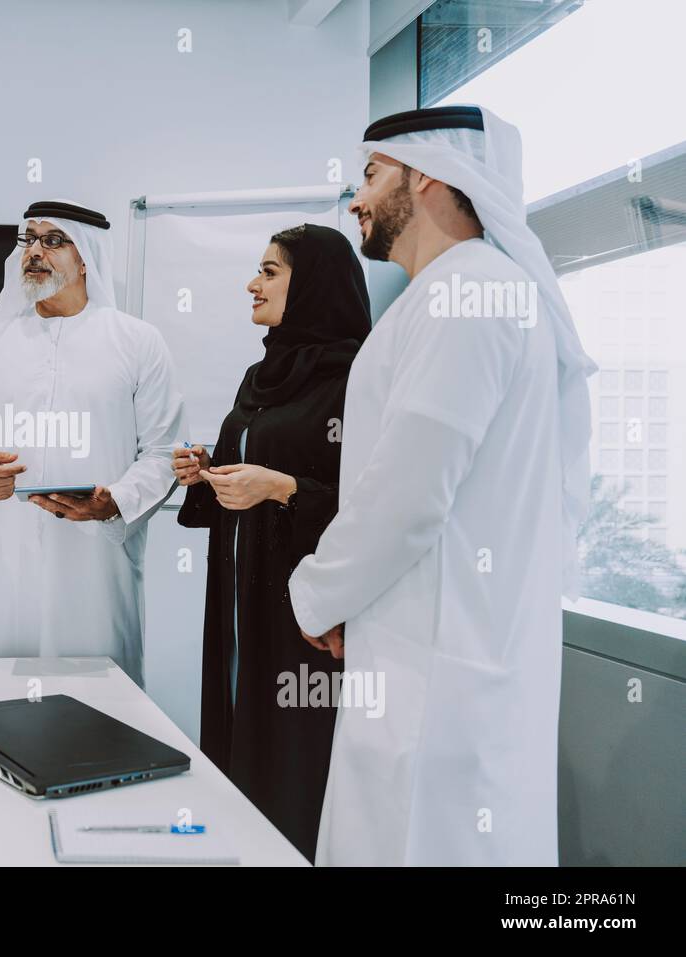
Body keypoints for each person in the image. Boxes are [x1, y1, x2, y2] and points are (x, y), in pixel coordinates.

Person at [287, 106, 597, 865]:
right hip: (418, 660)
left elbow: (407, 494)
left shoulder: (474, 293)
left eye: (370, 174)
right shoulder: (444, 295)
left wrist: (317, 592)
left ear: (425, 174)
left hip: (438, 686)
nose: (355, 199)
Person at [174, 224, 370, 860]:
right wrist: (207, 469)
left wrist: (283, 487)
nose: (251, 284)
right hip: (239, 595)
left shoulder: (358, 380)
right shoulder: (260, 375)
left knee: (295, 747)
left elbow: (375, 502)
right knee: (239, 721)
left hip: (307, 607)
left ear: (312, 285)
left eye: (269, 271)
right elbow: (251, 467)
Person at [0, 200, 183, 686]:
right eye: (29, 240)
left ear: (87, 255)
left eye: (53, 240)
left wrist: (115, 501)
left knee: (98, 717)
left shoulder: (137, 342)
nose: (35, 252)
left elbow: (162, 453)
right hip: (5, 573)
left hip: (96, 569)